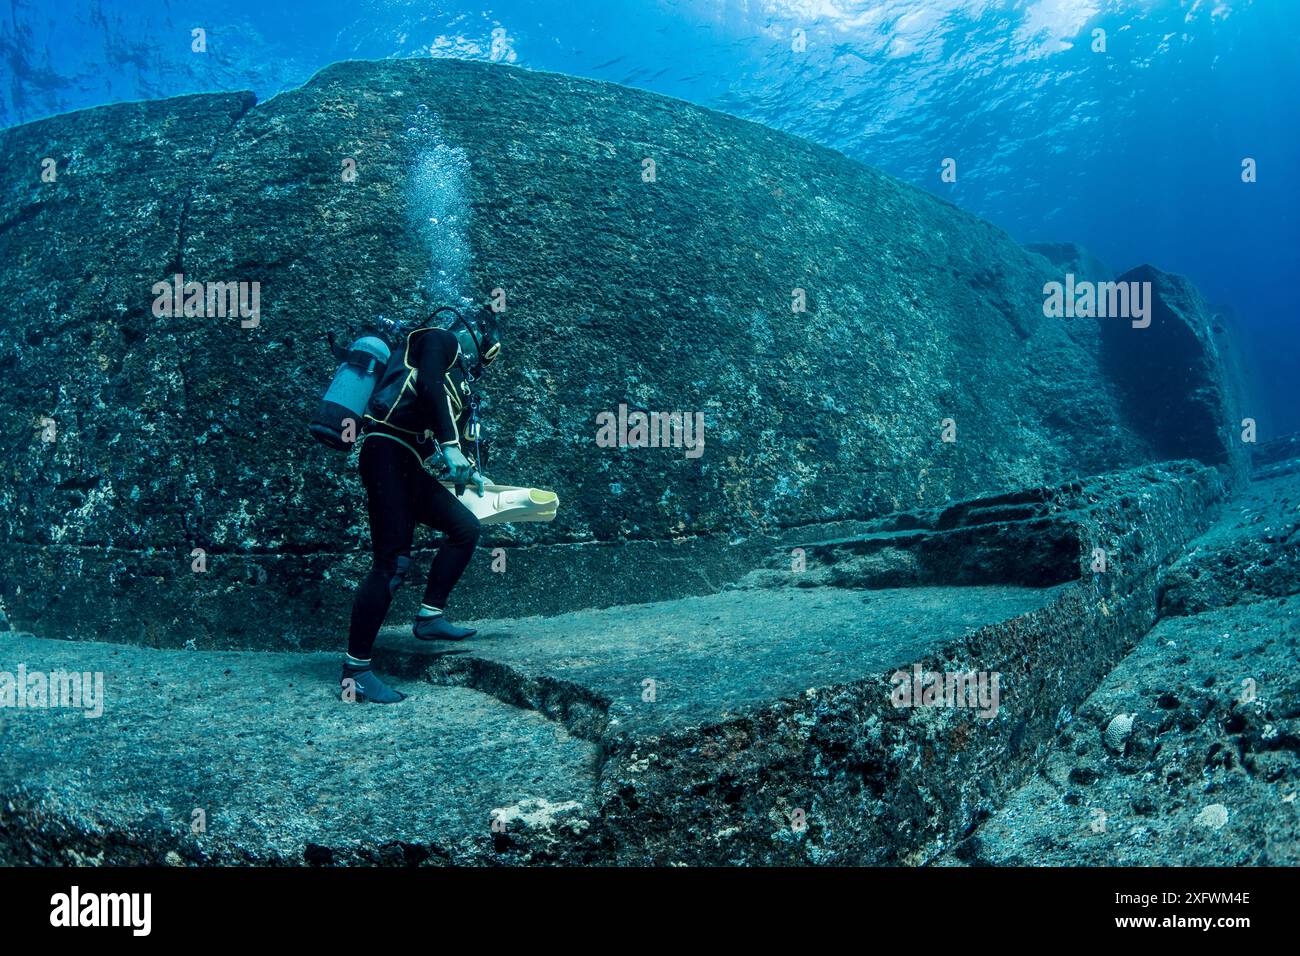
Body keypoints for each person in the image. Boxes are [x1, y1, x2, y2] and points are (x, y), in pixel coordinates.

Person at [340, 305, 502, 704]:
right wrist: (451, 448)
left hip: (408, 462)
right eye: (485, 347)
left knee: (465, 528)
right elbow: (428, 381)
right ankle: (355, 672)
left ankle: (429, 617)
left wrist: (468, 471)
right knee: (391, 563)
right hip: (386, 454)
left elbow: (434, 413)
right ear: (472, 332)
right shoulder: (438, 339)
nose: (482, 359)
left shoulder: (457, 380)